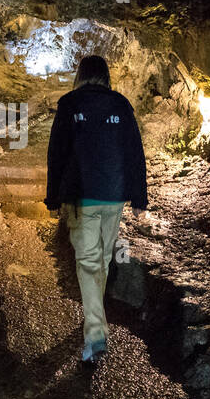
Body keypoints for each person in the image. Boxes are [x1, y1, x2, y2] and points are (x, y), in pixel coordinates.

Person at [44, 54, 148, 367]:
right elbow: (134, 152)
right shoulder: (120, 104)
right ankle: (95, 316)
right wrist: (139, 199)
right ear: (105, 77)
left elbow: (57, 153)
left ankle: (95, 333)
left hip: (82, 195)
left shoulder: (69, 104)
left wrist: (52, 199)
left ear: (80, 76)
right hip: (114, 195)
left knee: (89, 262)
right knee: (101, 258)